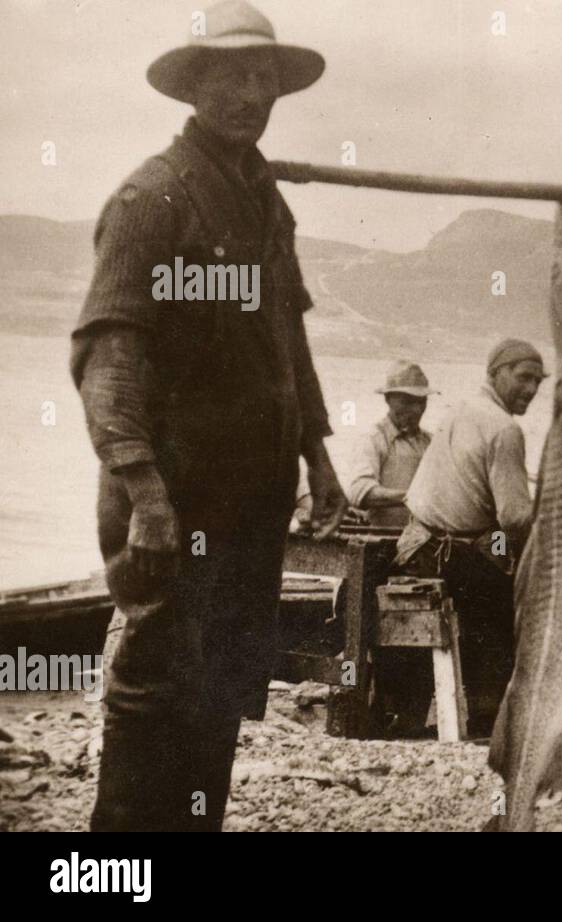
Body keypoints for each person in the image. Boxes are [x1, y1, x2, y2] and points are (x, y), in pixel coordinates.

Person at [71, 0, 346, 831]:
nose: (252, 93)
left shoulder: (266, 201)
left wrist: (318, 455)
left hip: (251, 503)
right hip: (171, 498)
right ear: (195, 87)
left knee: (222, 686)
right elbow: (110, 356)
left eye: (264, 78)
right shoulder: (151, 199)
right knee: (155, 686)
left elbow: (284, 337)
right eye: (232, 76)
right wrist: (145, 493)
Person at [393, 339, 545, 729]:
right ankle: (489, 715)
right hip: (445, 556)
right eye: (523, 378)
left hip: (413, 545)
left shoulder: (462, 409)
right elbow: (514, 518)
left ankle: (408, 714)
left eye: (538, 382)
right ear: (496, 373)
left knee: (494, 579)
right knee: (515, 603)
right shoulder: (505, 429)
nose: (531, 390)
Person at [345, 360, 435, 528]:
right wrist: (411, 498)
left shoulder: (431, 442)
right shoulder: (372, 439)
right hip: (384, 542)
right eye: (408, 401)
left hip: (425, 543)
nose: (416, 409)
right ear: (388, 399)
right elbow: (359, 493)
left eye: (421, 401)